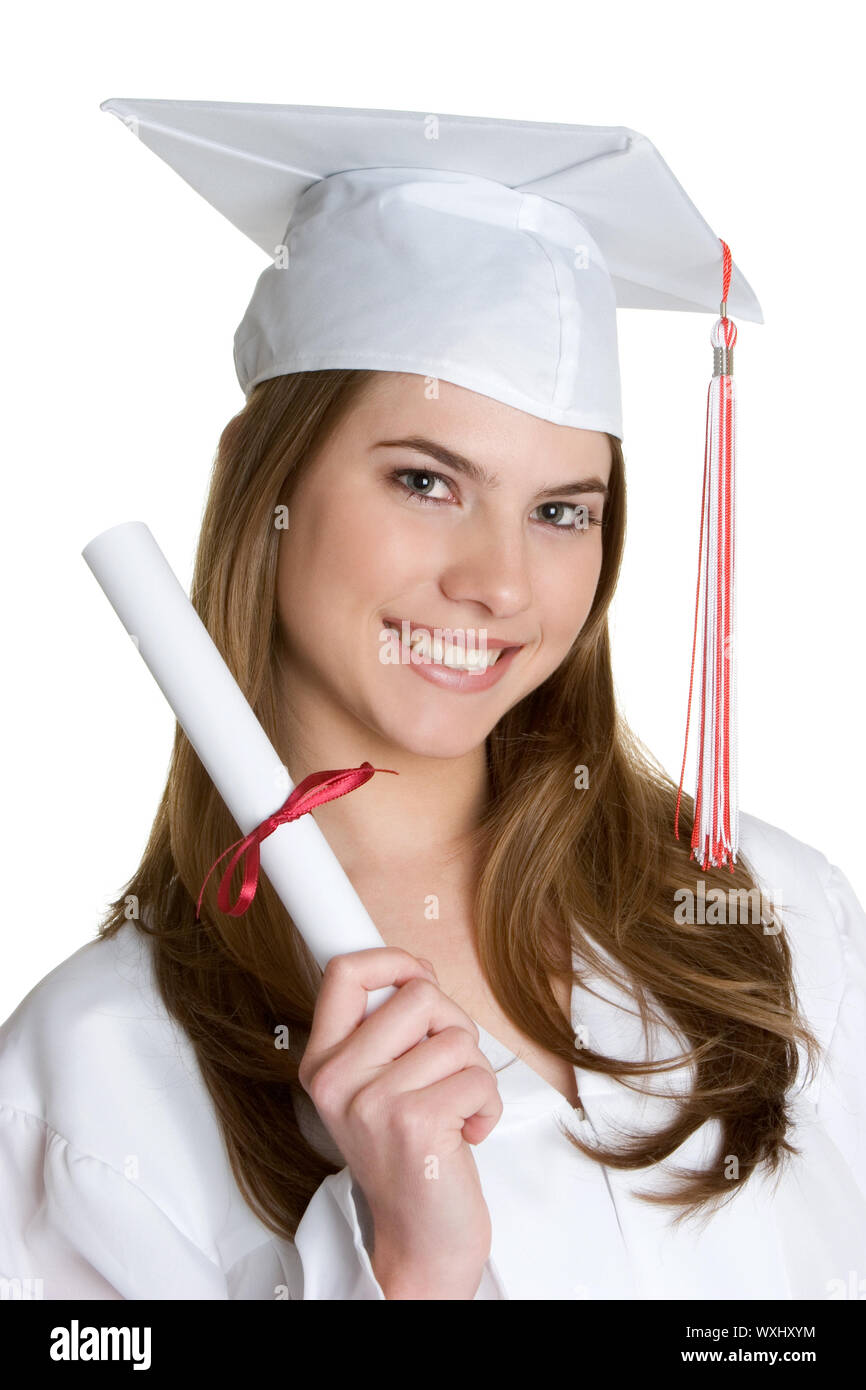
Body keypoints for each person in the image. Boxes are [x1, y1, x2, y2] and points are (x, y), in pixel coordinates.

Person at [1, 102, 864, 1300]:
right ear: (265, 477)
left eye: (561, 509)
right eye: (424, 479)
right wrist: (406, 1270)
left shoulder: (766, 920)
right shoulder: (89, 1084)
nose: (501, 581)